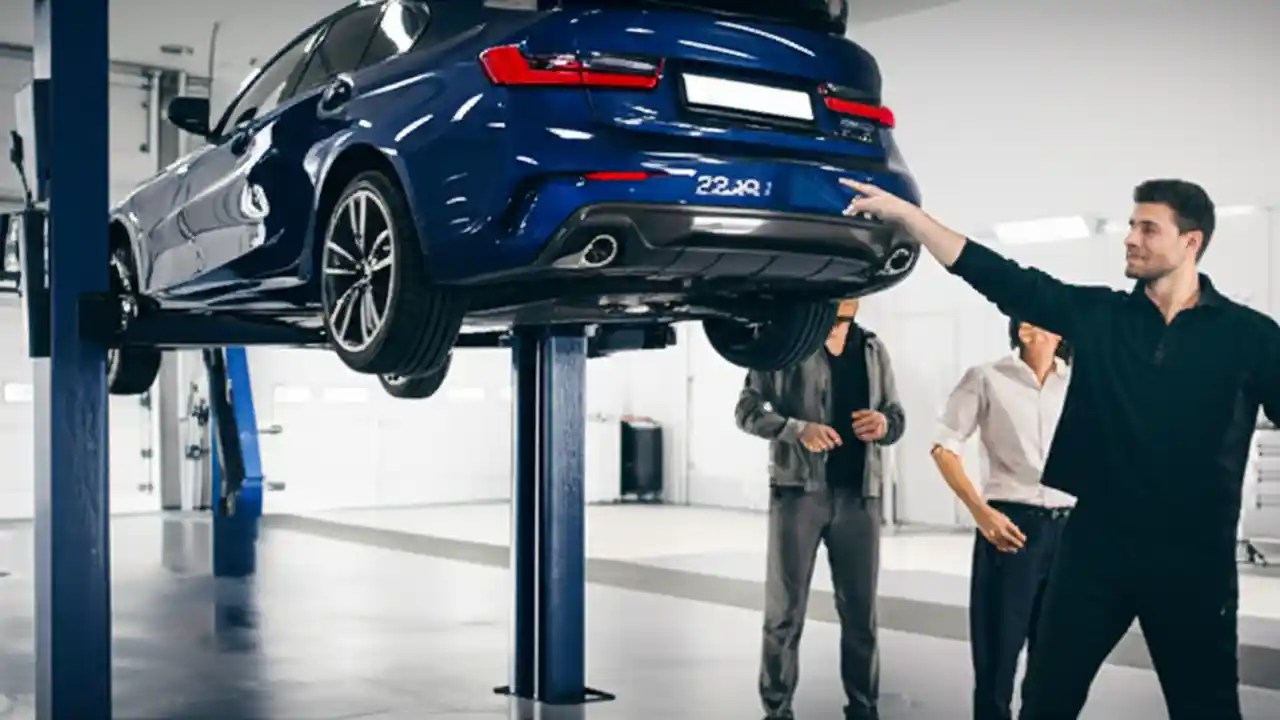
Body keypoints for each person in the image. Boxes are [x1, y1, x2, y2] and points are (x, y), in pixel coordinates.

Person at [840, 176, 1280, 719]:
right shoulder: (1101, 317)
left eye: (1148, 228)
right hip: (1095, 550)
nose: (1130, 238)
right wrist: (912, 218)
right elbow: (1004, 279)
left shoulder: (1250, 337)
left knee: (1206, 708)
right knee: (1046, 701)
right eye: (1131, 225)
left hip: (1194, 562)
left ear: (1191, 242)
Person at [735, 297, 906, 720]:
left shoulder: (873, 349)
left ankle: (864, 708)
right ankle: (777, 711)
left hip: (860, 497)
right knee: (784, 615)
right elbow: (747, 411)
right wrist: (797, 430)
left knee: (861, 617)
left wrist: (884, 425)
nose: (847, 296)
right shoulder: (788, 344)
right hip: (799, 495)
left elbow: (896, 416)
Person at [932, 318, 1075, 720]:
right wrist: (981, 512)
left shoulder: (1078, 383)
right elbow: (944, 447)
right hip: (1010, 527)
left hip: (1071, 532)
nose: (1033, 324)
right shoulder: (986, 377)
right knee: (997, 660)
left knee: (1055, 665)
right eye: (1026, 317)